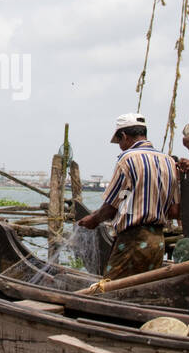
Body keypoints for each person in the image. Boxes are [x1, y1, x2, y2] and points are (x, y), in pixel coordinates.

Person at [77, 112, 179, 280]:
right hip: (157, 242)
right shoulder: (168, 161)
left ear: (124, 136)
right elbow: (174, 211)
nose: (120, 146)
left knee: (111, 287)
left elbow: (111, 206)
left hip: (134, 240)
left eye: (119, 142)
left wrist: (93, 220)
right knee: (143, 287)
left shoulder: (127, 159)